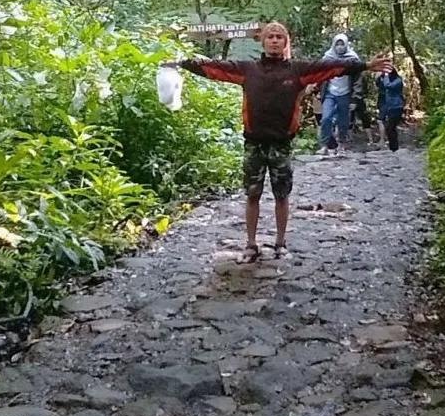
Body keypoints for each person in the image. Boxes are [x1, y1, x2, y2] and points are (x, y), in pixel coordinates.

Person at [161, 22, 389, 262]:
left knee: (282, 195)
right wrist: (182, 63)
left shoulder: (298, 71)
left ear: (285, 42)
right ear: (263, 42)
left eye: (279, 37)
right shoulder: (248, 70)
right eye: (270, 36)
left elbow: (331, 68)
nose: (274, 40)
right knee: (252, 194)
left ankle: (280, 243)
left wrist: (363, 65)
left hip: (281, 143)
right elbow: (215, 68)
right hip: (254, 143)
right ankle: (250, 244)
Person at [317, 34, 359, 155]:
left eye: (342, 44)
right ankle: (325, 145)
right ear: (333, 45)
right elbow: (320, 75)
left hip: (345, 93)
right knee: (325, 118)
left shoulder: (353, 59)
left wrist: (355, 99)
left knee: (343, 121)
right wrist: (317, 90)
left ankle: (341, 145)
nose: (340, 47)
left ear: (346, 45)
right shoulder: (327, 58)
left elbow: (358, 80)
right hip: (330, 92)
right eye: (337, 44)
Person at [376, 66, 407, 152]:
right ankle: (393, 147)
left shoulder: (398, 80)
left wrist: (385, 76)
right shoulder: (386, 79)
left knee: (390, 127)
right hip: (389, 106)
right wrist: (380, 76)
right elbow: (379, 84)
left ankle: (394, 147)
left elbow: (388, 86)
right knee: (391, 128)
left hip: (397, 106)